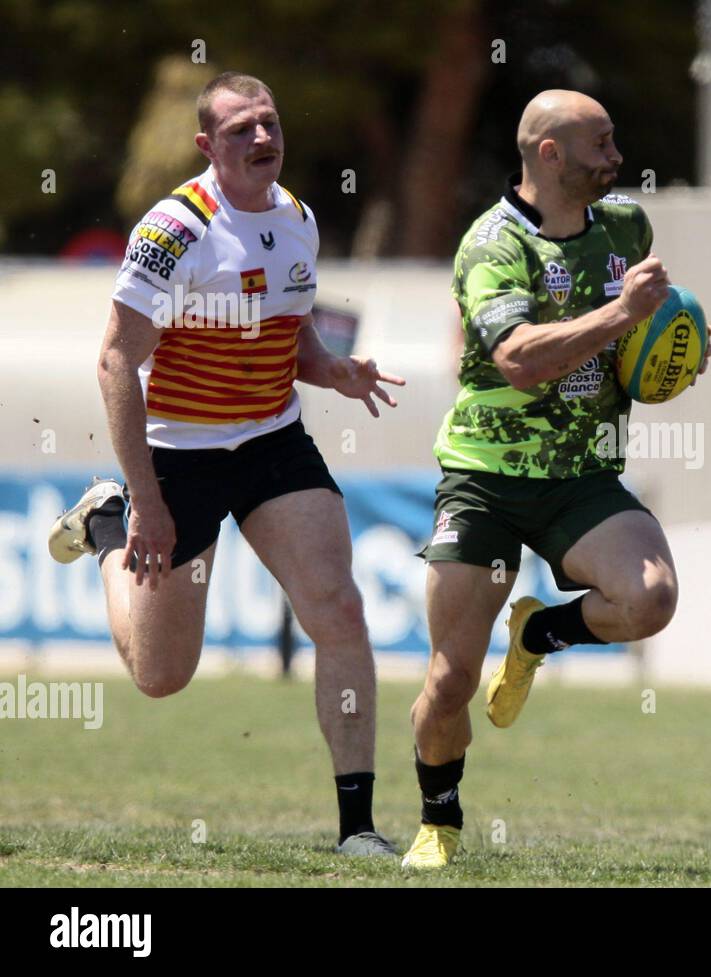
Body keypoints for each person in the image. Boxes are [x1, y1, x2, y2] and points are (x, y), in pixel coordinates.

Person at [47, 71, 404, 856]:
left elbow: (292, 334)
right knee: (160, 675)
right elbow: (115, 361)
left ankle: (358, 829)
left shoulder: (300, 220)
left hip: (273, 443)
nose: (262, 139)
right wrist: (145, 500)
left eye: (270, 123)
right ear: (207, 145)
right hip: (178, 455)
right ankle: (106, 524)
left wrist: (334, 371)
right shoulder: (176, 230)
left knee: (339, 612)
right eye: (241, 129)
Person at [402, 89, 711, 869]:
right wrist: (619, 317)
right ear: (549, 153)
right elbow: (519, 359)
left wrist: (678, 353)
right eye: (600, 144)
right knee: (449, 680)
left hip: (582, 476)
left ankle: (540, 631)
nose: (616, 157)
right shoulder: (491, 244)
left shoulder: (626, 227)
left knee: (651, 598)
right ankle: (439, 820)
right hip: (487, 479)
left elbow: (646, 332)